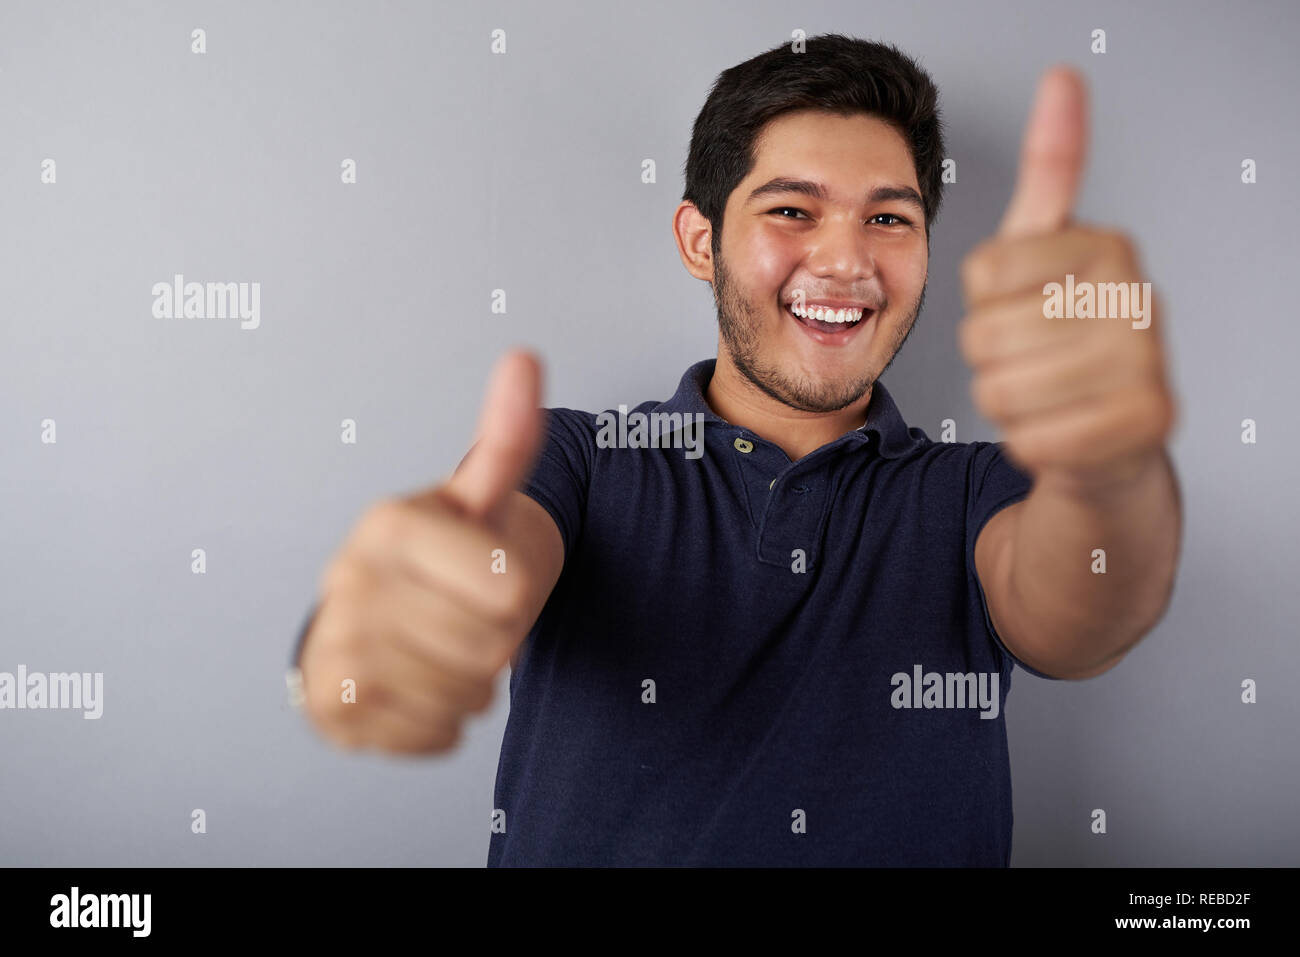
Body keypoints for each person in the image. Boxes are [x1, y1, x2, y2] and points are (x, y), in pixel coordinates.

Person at [290, 34, 1182, 866]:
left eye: (889, 219)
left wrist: (1109, 464)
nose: (845, 262)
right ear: (700, 239)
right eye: (793, 208)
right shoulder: (579, 460)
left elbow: (1084, 615)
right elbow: (485, 561)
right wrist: (373, 636)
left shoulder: (985, 488)